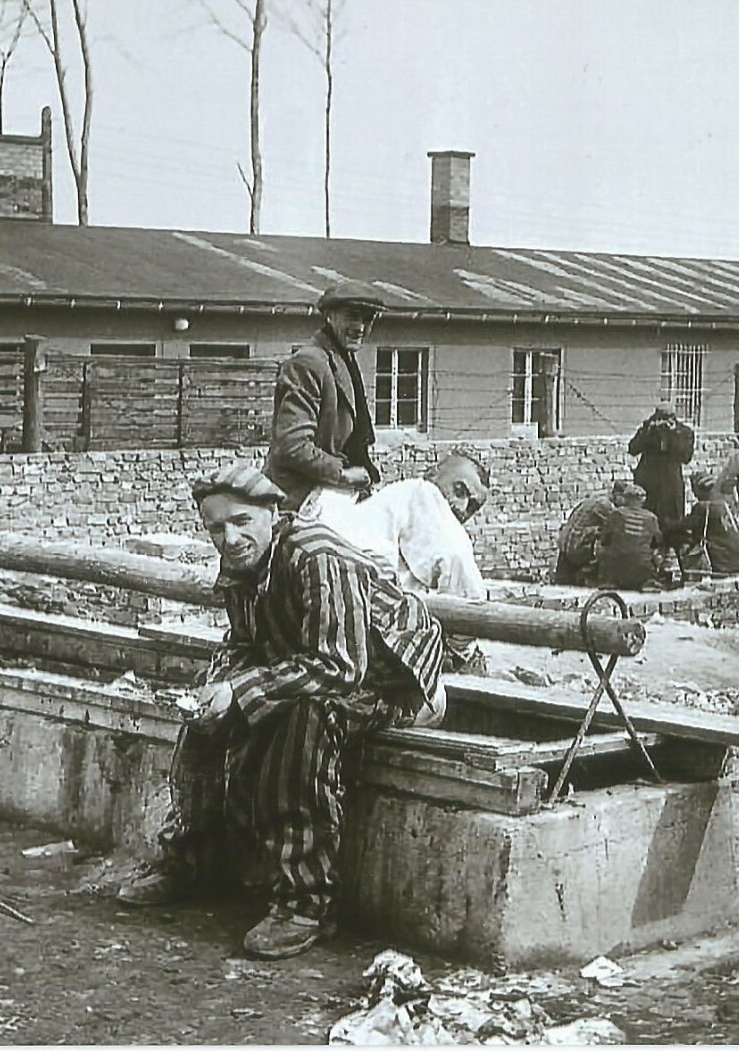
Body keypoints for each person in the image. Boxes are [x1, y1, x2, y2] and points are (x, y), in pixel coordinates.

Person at [117, 463, 445, 960]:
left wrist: (243, 691)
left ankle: (307, 901)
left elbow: (340, 667)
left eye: (241, 521)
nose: (229, 538)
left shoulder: (318, 556)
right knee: (205, 723)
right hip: (313, 667)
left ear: (273, 512)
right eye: (216, 528)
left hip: (391, 683)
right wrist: (218, 688)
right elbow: (245, 642)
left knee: (303, 724)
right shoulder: (243, 563)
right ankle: (193, 860)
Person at [263, 282, 387, 511]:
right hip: (300, 497)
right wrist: (343, 475)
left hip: (335, 490)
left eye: (368, 319)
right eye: (352, 316)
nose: (360, 327)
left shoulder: (343, 360)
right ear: (330, 316)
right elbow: (293, 446)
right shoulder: (308, 363)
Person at [311, 453, 492, 601]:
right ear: (432, 474)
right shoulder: (421, 492)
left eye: (472, 507)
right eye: (459, 490)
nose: (462, 508)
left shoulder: (393, 517)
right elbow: (459, 568)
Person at [627, 400, 695, 522]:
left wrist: (674, 434)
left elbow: (686, 457)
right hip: (648, 483)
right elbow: (633, 449)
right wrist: (648, 431)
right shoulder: (648, 429)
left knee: (672, 522)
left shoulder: (684, 432)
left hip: (671, 486)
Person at [666, 473, 739, 577]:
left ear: (700, 490)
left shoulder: (704, 506)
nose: (694, 494)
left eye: (694, 489)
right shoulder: (726, 503)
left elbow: (684, 524)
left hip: (722, 561)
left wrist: (667, 524)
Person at [552, 480, 629, 585]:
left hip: (565, 546)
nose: (627, 503)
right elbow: (618, 530)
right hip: (576, 547)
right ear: (617, 495)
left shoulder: (593, 499)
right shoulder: (605, 506)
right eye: (625, 498)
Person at [589, 483, 664, 589]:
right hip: (643, 569)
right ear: (643, 500)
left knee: (601, 547)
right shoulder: (651, 518)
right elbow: (658, 541)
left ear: (625, 498)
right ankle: (647, 580)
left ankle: (609, 580)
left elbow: (605, 539)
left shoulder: (617, 514)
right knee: (655, 553)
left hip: (617, 568)